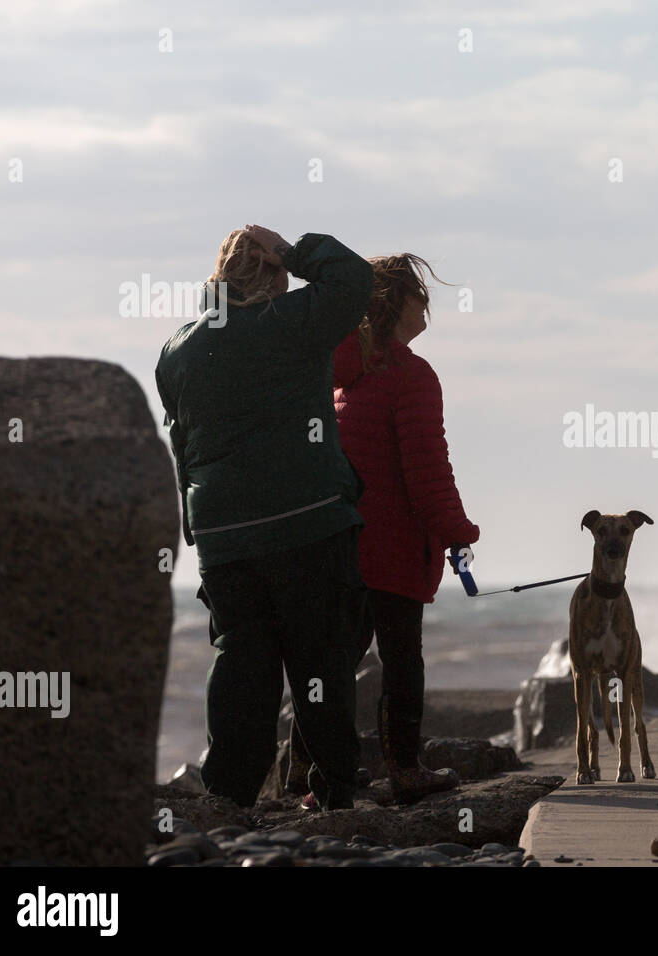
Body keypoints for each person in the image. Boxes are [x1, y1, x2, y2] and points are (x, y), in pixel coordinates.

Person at [155, 225, 373, 811]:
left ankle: (226, 799)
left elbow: (184, 447)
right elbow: (355, 279)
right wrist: (300, 251)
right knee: (321, 659)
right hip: (307, 525)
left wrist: (195, 530)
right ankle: (332, 792)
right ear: (275, 271)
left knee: (242, 667)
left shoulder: (177, 351)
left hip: (224, 541)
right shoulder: (291, 323)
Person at [330, 253, 480, 801]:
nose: (427, 306)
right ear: (397, 302)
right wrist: (457, 529)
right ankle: (405, 770)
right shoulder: (410, 375)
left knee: (335, 662)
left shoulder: (343, 376)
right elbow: (426, 466)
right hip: (392, 544)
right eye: (420, 295)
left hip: (344, 542)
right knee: (401, 661)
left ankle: (313, 772)